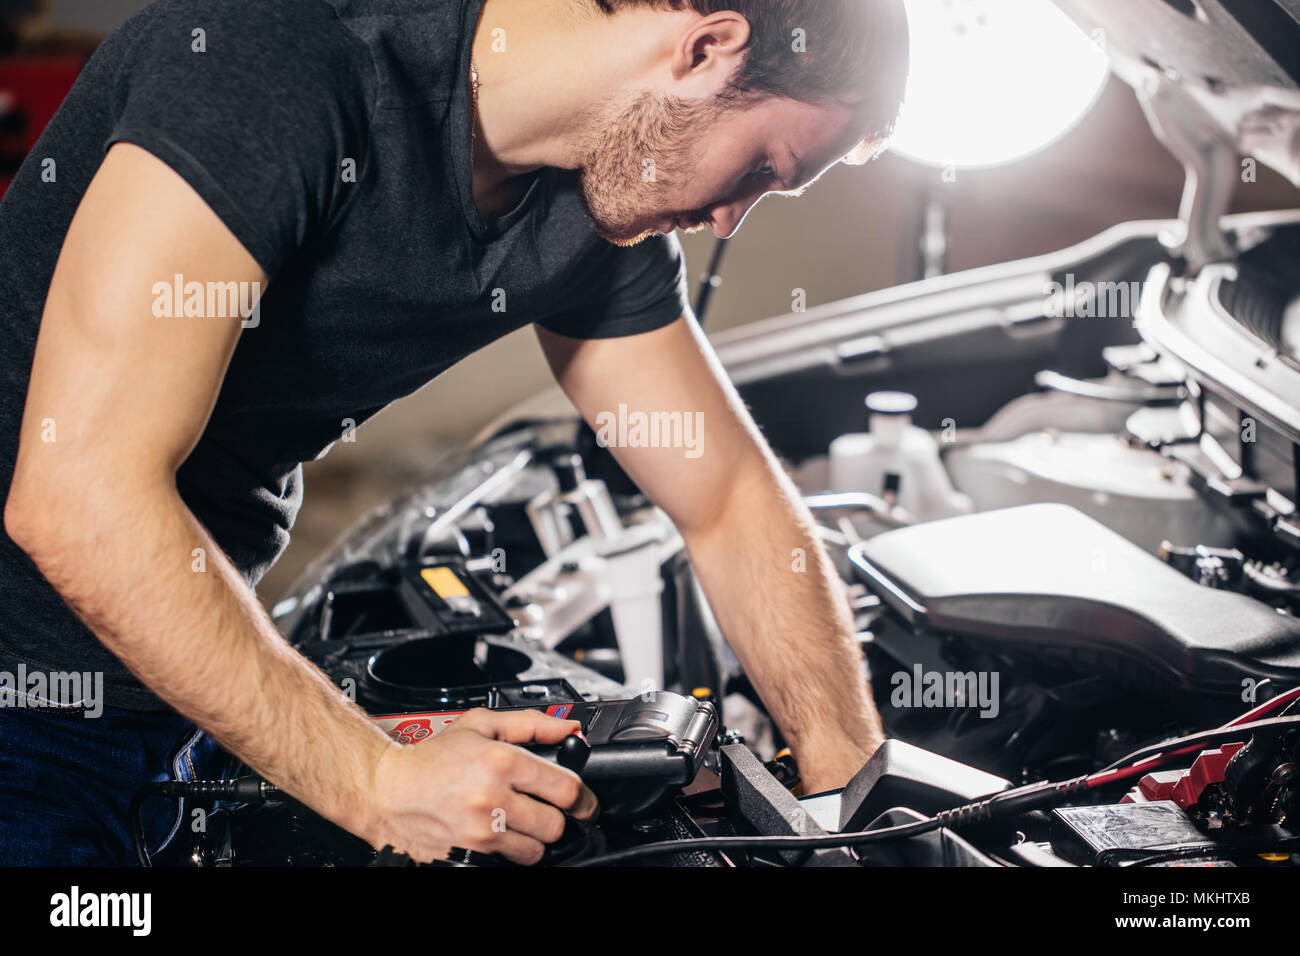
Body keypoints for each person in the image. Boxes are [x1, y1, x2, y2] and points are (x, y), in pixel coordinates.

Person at [0, 0, 910, 864]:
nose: (731, 217)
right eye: (762, 168)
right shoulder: (277, 60)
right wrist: (371, 777)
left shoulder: (597, 216)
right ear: (706, 48)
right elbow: (78, 496)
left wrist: (848, 809)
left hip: (178, 676)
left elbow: (730, 501)